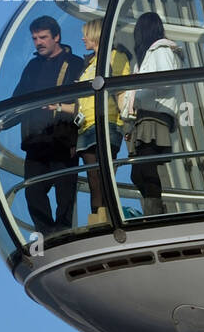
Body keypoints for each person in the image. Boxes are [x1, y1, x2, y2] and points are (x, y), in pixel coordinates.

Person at [12, 15, 84, 236]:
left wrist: (75, 137)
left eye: (43, 37)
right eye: (34, 38)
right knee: (33, 192)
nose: (38, 42)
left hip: (62, 140)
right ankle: (48, 234)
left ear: (57, 37)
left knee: (65, 193)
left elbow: (84, 102)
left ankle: (63, 232)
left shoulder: (75, 64)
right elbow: (18, 99)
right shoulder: (32, 66)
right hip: (35, 142)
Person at [58, 19, 131, 226]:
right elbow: (80, 103)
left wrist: (128, 122)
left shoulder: (116, 57)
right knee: (93, 180)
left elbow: (121, 90)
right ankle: (96, 222)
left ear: (96, 34)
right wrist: (58, 107)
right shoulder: (89, 64)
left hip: (107, 122)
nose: (82, 38)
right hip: (86, 126)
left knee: (104, 176)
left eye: (86, 34)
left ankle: (106, 220)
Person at [121, 12, 183, 216]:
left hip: (154, 114)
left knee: (145, 168)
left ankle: (155, 212)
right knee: (137, 173)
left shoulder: (160, 50)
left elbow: (166, 79)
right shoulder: (149, 54)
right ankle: (154, 208)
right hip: (145, 115)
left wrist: (139, 86)